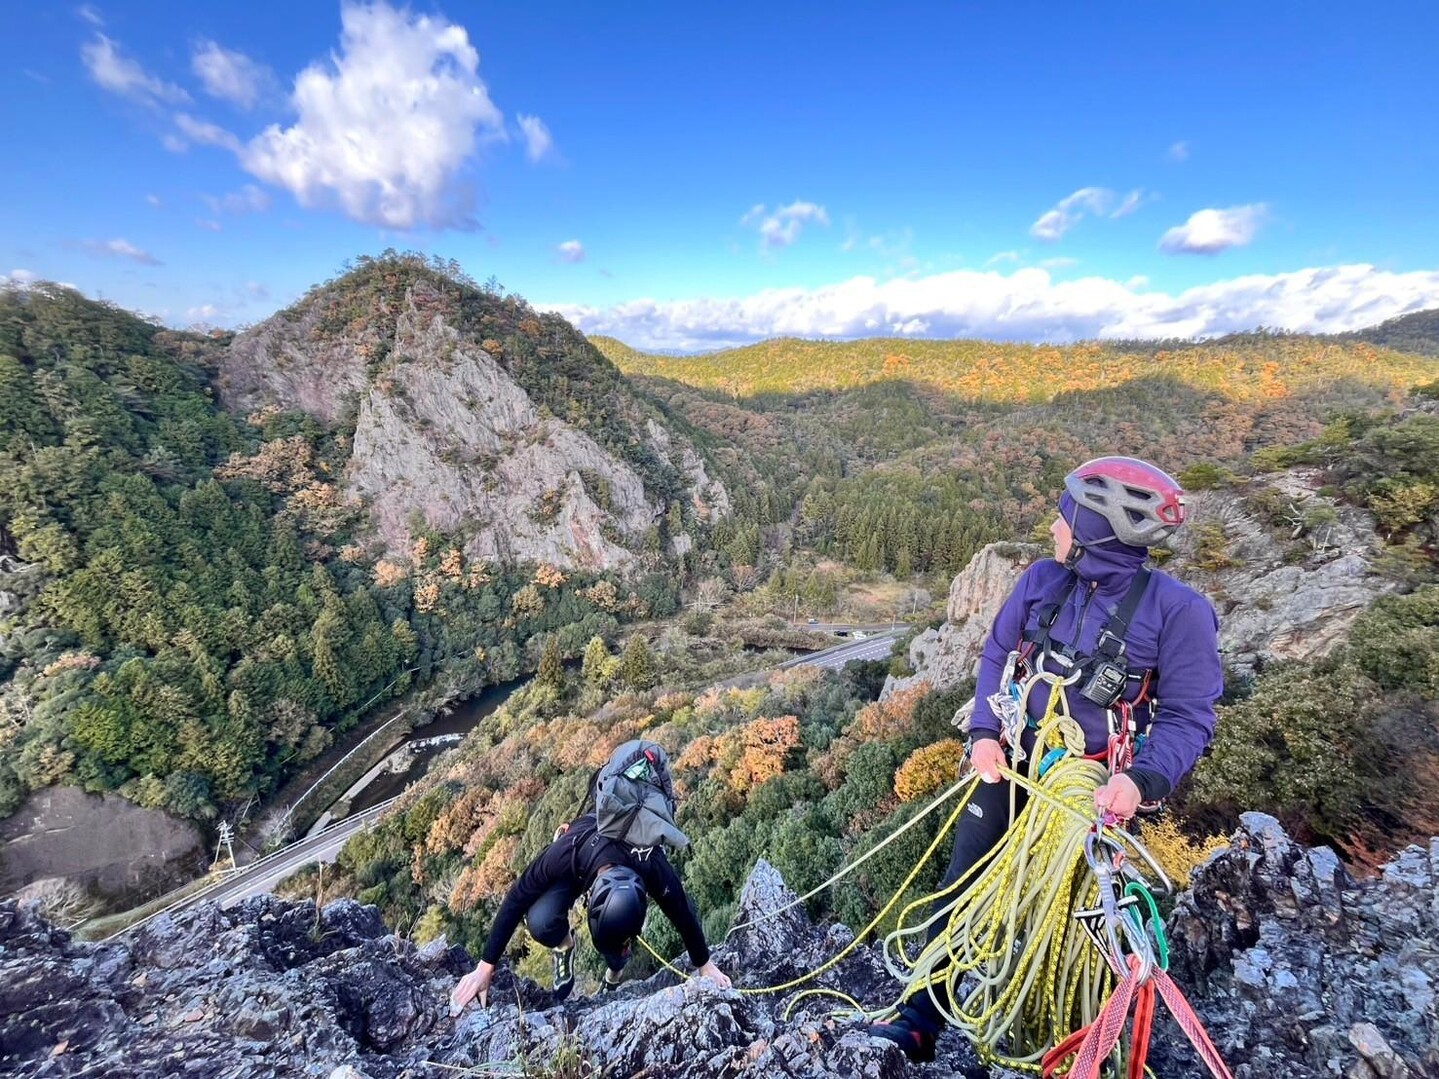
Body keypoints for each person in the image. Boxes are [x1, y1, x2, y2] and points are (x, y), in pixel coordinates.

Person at [870, 456, 1223, 1063]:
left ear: (1095, 530)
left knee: (1074, 923)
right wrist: (983, 731)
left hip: (1091, 793)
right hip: (1010, 765)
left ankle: (1061, 1043)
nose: (1053, 528)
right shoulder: (1042, 581)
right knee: (963, 882)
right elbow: (997, 654)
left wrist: (1140, 781)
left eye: (1064, 516)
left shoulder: (1177, 611)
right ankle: (922, 1018)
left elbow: (1188, 716)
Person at [450, 808, 731, 1011]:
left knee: (614, 942)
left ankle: (614, 974)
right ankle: (563, 944)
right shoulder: (564, 851)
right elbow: (517, 898)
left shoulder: (653, 865)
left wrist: (705, 965)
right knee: (540, 922)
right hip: (581, 862)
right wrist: (484, 968)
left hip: (612, 868)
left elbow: (682, 913)